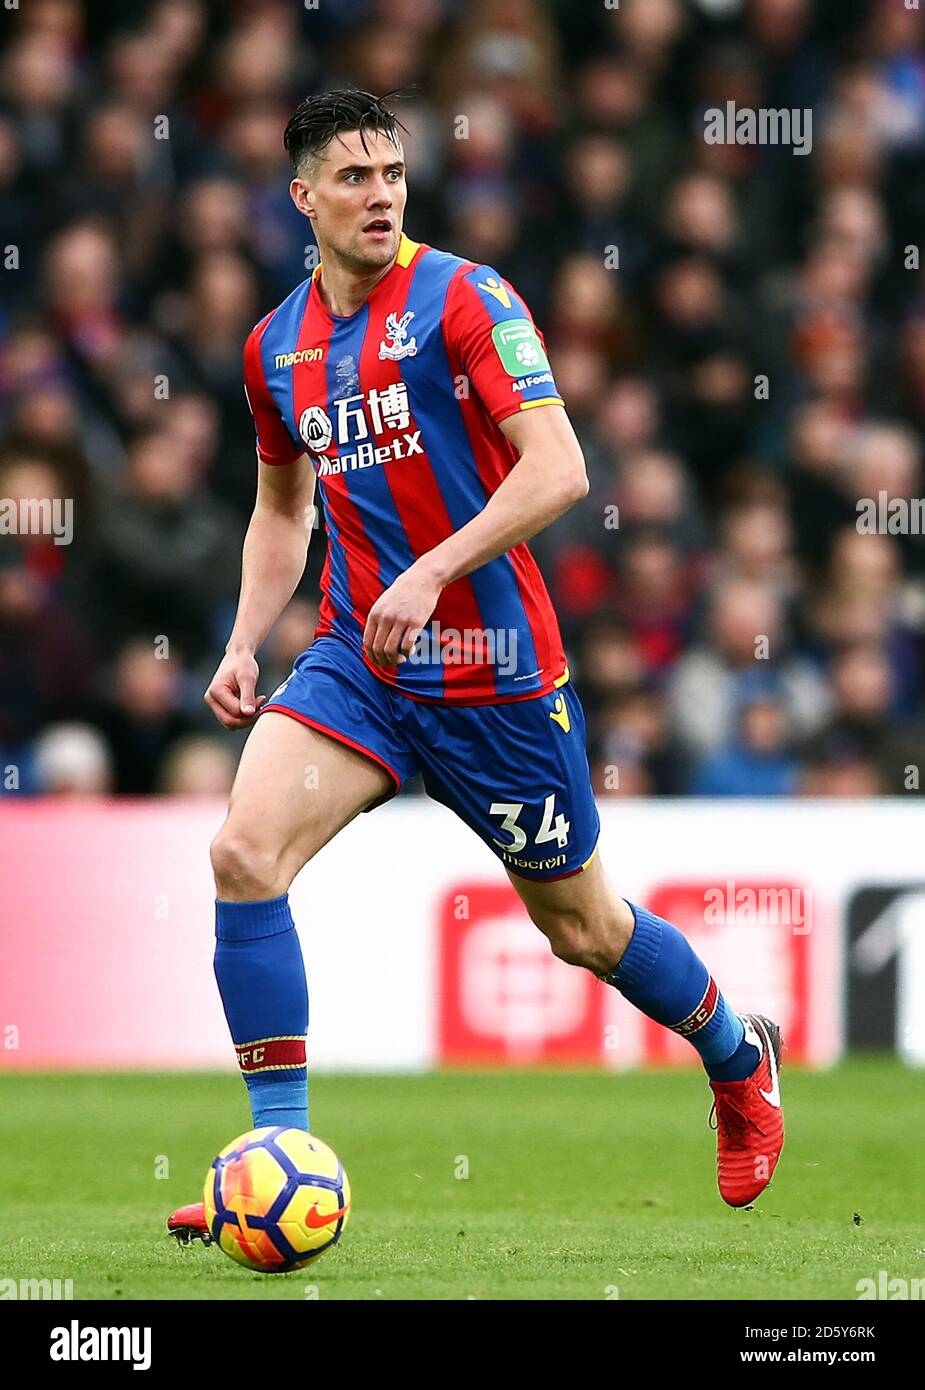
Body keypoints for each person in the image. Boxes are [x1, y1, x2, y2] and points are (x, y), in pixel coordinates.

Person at [167, 90, 783, 1248]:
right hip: (361, 662)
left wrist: (432, 571)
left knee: (585, 930)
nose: (381, 193)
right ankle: (273, 1155)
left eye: (392, 171)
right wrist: (247, 635)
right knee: (244, 853)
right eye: (352, 177)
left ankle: (737, 1055)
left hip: (492, 670)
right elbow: (277, 510)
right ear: (301, 197)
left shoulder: (467, 296)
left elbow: (558, 468)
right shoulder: (274, 346)